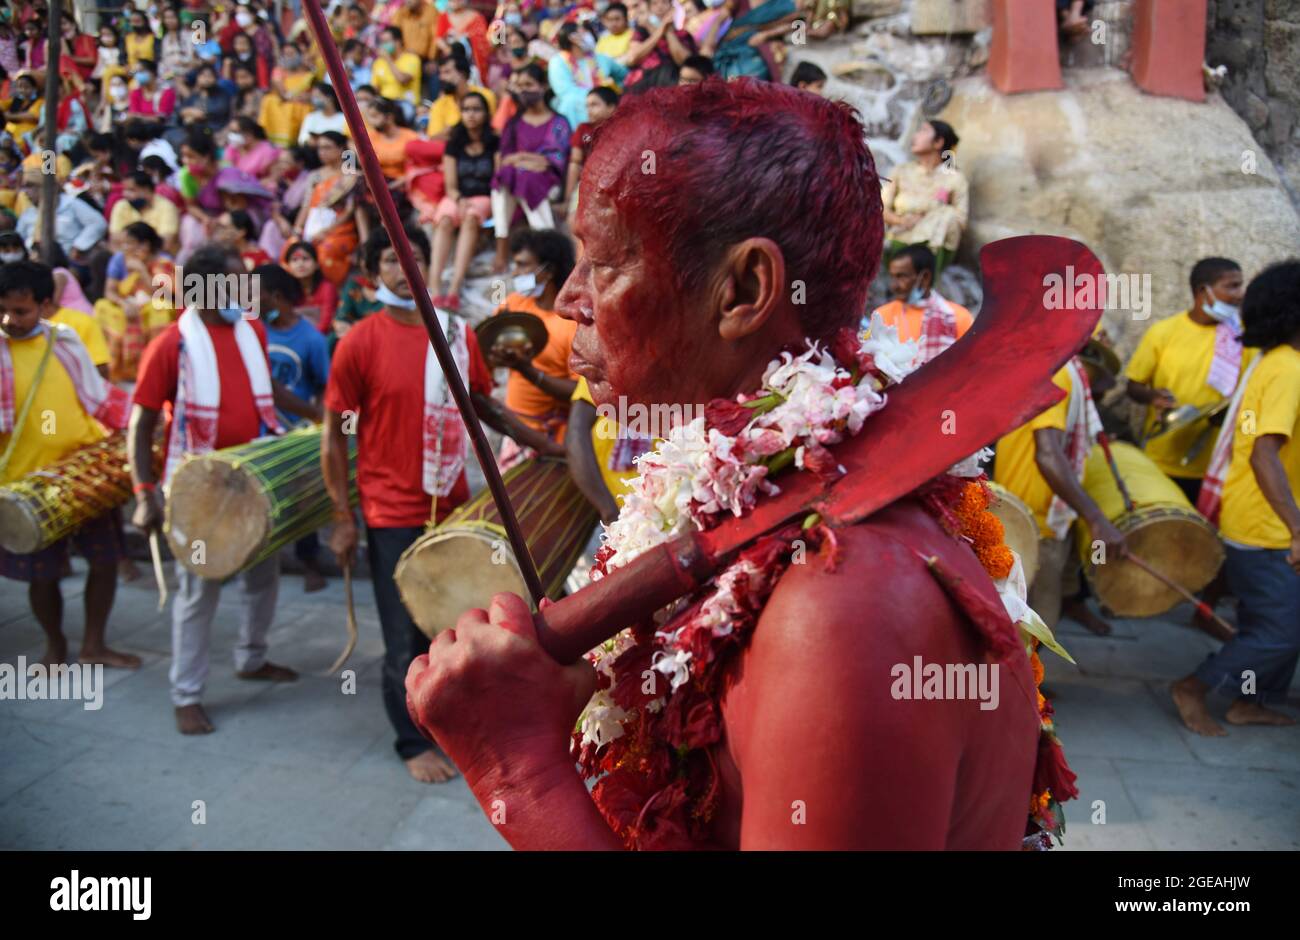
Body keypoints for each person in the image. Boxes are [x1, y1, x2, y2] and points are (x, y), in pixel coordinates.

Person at [405, 79, 1064, 850]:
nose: (570, 300)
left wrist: (519, 772)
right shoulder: (738, 505)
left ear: (744, 289)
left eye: (605, 259)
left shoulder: (842, 608)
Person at [320, 226, 494, 783]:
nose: (403, 269)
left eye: (413, 259)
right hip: (390, 512)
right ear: (374, 275)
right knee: (403, 635)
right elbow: (334, 435)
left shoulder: (458, 335)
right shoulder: (360, 341)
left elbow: (483, 405)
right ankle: (408, 741)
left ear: (428, 266)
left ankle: (450, 724)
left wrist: (547, 445)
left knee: (454, 626)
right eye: (390, 261)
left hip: (452, 508)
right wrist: (342, 516)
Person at [128, 245, 315, 735]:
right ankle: (185, 694)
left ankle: (251, 658)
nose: (246, 289)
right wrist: (145, 489)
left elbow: (268, 391)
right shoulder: (172, 344)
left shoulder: (252, 330)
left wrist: (324, 417)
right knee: (199, 593)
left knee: (263, 578)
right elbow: (142, 420)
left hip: (255, 480)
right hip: (198, 490)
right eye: (236, 281)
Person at [1172, 260, 1300, 736]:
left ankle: (1249, 701)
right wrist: (1296, 528)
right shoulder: (1286, 369)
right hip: (1268, 525)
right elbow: (1264, 454)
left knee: (1270, 623)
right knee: (1282, 632)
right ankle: (1193, 686)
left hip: (1266, 518)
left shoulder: (1278, 363)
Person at [0, 261, 137, 669]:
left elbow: (99, 397)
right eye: (2, 308)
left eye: (20, 311)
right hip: (25, 485)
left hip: (85, 473)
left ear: (45, 306)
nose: (9, 319)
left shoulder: (65, 339)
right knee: (42, 574)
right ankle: (55, 645)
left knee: (105, 559)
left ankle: (94, 644)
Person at [1123, 258, 1251, 505]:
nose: (1240, 294)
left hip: (1219, 464)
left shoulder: (1242, 337)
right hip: (1163, 461)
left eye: (1240, 286)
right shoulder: (1164, 332)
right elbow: (1133, 385)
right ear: (1204, 291)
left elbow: (1253, 394)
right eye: (1232, 286)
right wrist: (1153, 397)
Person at [256, 263, 331, 592]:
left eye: (252, 293)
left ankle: (310, 563)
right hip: (257, 433)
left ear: (274, 296)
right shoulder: (252, 331)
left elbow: (327, 385)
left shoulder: (311, 339)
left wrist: (317, 418)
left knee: (302, 499)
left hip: (296, 434)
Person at [490, 228, 579, 465]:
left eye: (522, 265)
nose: (515, 273)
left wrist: (529, 372)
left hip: (555, 441)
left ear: (548, 271)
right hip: (515, 432)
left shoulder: (572, 323)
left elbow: (581, 393)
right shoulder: (512, 306)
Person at [490, 64, 570, 271]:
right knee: (504, 177)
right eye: (520, 85)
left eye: (529, 84)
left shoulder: (559, 122)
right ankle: (501, 248)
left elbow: (553, 161)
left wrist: (522, 157)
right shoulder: (514, 123)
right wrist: (529, 160)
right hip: (517, 178)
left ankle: (546, 245)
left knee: (526, 178)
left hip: (549, 182)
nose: (524, 90)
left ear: (543, 86)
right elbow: (505, 159)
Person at [430, 92, 498, 311]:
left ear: (486, 113)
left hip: (485, 196)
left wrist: (469, 204)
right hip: (457, 195)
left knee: (470, 219)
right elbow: (450, 184)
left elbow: (497, 178)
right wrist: (459, 199)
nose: (471, 115)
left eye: (476, 109)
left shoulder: (495, 141)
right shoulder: (454, 142)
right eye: (466, 109)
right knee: (445, 220)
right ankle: (434, 285)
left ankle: (454, 289)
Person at [881, 120, 968, 279]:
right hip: (898, 240)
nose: (915, 135)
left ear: (938, 142)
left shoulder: (954, 178)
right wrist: (902, 222)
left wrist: (930, 219)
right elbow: (880, 208)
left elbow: (960, 219)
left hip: (935, 246)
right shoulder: (901, 171)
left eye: (923, 130)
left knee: (948, 214)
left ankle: (926, 283)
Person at [94, 221, 177, 384]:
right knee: (101, 306)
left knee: (160, 310)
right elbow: (110, 291)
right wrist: (124, 304)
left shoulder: (164, 263)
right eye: (123, 243)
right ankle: (115, 370)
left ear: (144, 245)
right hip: (128, 305)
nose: (124, 248)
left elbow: (166, 296)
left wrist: (141, 271)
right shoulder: (120, 259)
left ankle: (155, 366)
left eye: (129, 243)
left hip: (152, 306)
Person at [566, 375, 653, 524]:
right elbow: (576, 433)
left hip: (672, 504)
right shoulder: (602, 366)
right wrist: (610, 513)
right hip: (622, 514)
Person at [870, 244, 973, 362]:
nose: (894, 286)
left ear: (925, 277)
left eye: (901, 277)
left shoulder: (959, 318)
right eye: (893, 277)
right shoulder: (881, 316)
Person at [292, 131, 365, 285]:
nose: (322, 152)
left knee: (325, 251)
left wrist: (326, 231)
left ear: (340, 149)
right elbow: (306, 206)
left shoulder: (348, 172)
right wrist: (297, 229)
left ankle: (330, 292)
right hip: (313, 226)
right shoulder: (315, 175)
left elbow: (350, 209)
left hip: (339, 229)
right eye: (319, 148)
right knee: (291, 247)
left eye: (327, 148)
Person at [547, 23, 627, 131]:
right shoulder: (558, 62)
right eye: (584, 32)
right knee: (570, 102)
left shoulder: (601, 58)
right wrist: (596, 98)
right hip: (577, 108)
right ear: (572, 37)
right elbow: (565, 91)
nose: (589, 35)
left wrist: (613, 89)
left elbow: (624, 75)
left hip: (605, 104)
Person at [564, 86, 617, 215]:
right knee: (575, 218)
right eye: (587, 106)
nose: (589, 110)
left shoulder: (621, 129)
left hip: (615, 183)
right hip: (588, 182)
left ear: (611, 107)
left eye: (594, 105)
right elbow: (575, 163)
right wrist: (567, 198)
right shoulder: (583, 130)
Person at [622, 0, 696, 91]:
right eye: (655, 3)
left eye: (664, 2)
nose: (660, 7)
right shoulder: (642, 32)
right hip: (643, 83)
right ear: (649, 9)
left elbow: (685, 61)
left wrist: (669, 32)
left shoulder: (683, 35)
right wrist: (660, 30)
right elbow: (633, 58)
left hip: (670, 81)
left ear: (672, 8)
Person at [426, 46, 498, 139]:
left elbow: (494, 131)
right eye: (441, 73)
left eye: (447, 72)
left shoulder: (486, 96)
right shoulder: (439, 104)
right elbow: (433, 139)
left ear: (462, 74)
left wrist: (451, 131)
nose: (441, 78)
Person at [260, 40, 316, 148]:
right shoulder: (279, 72)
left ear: (300, 55)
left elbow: (313, 93)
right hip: (284, 102)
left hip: (301, 105)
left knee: (296, 108)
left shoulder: (309, 74)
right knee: (269, 100)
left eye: (292, 54)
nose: (288, 57)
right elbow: (283, 94)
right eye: (286, 54)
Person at [109, 171, 179, 254]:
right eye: (125, 190)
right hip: (128, 258)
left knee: (177, 266)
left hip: (159, 256)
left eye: (131, 190)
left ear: (146, 190)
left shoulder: (166, 207)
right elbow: (114, 240)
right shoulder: (122, 205)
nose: (125, 194)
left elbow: (166, 243)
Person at [282, 240, 339, 334]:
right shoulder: (287, 291)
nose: (300, 264)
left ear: (317, 264)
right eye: (294, 260)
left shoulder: (327, 289)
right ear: (288, 266)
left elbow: (326, 323)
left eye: (305, 259)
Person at [364, 97, 419, 184]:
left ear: (389, 117)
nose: (371, 121)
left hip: (407, 183)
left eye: (375, 116)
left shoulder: (411, 137)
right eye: (369, 117)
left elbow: (418, 166)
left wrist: (404, 179)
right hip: (380, 183)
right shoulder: (369, 137)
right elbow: (354, 157)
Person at [371, 27, 423, 110]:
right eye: (382, 42)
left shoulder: (412, 58)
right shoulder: (379, 62)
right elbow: (375, 88)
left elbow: (402, 79)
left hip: (405, 103)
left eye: (386, 42)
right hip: (384, 103)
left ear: (398, 41)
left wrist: (388, 59)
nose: (383, 45)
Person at [178, 63, 233, 134]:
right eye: (203, 76)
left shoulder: (222, 95)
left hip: (212, 130)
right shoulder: (195, 95)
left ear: (215, 78)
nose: (206, 79)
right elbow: (181, 109)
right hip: (191, 130)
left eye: (210, 76)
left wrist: (199, 114)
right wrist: (188, 111)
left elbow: (218, 111)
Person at [223, 115, 280, 180]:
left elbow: (270, 177)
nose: (232, 136)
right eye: (231, 131)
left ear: (249, 133)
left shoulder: (268, 150)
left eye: (235, 132)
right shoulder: (232, 147)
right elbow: (226, 170)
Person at [127, 59, 176, 125]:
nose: (138, 75)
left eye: (141, 71)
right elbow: (134, 115)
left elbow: (160, 119)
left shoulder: (167, 92)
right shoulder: (135, 93)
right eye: (136, 72)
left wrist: (139, 117)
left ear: (153, 72)